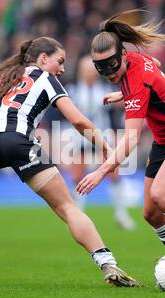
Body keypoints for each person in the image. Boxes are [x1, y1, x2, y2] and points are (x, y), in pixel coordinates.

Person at [0, 37, 139, 288]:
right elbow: (79, 122)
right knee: (67, 207)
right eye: (59, 62)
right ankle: (108, 264)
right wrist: (106, 148)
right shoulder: (46, 79)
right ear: (43, 59)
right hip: (19, 142)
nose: (62, 69)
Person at [76, 10, 165, 286]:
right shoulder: (134, 62)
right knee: (151, 213)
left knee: (160, 194)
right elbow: (152, 63)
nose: (107, 72)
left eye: (111, 64)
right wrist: (126, 93)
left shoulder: (135, 78)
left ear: (122, 54)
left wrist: (100, 172)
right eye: (100, 67)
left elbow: (130, 140)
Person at [65, 54, 136, 230]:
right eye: (86, 69)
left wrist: (115, 134)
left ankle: (121, 214)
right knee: (77, 175)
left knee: (114, 173)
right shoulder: (71, 90)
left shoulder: (105, 89)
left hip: (103, 134)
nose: (89, 73)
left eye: (92, 69)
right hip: (79, 136)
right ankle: (78, 215)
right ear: (80, 71)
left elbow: (113, 115)